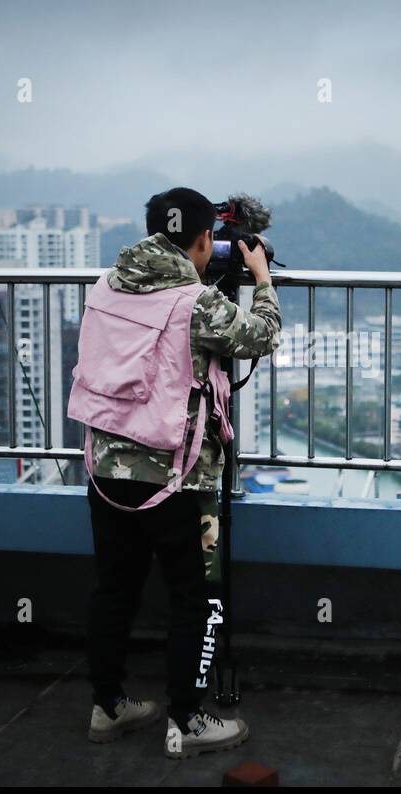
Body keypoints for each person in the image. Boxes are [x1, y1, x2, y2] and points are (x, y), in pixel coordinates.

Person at [83, 186, 280, 759]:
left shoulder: (106, 285)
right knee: (192, 598)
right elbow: (261, 336)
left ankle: (107, 706)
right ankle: (187, 721)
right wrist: (260, 277)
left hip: (105, 471)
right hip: (176, 478)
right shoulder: (195, 304)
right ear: (202, 240)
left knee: (114, 588)